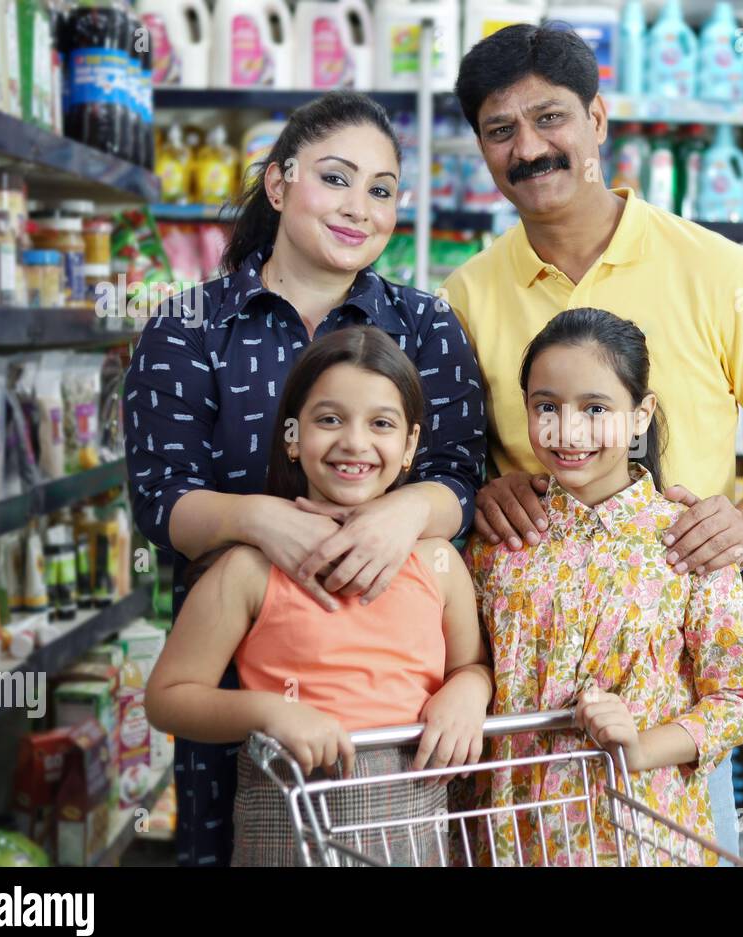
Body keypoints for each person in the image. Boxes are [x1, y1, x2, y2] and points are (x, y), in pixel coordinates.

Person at [443, 25, 743, 857]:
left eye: (550, 118)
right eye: (499, 129)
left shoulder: (716, 270)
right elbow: (446, 460)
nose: (530, 148)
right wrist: (481, 485)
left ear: (598, 118)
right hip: (524, 694)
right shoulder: (466, 296)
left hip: (670, 687)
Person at [125, 91, 486, 866]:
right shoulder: (188, 324)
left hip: (397, 716)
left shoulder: (425, 325)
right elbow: (162, 502)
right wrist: (258, 522)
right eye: (336, 178)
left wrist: (404, 516)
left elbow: (462, 478)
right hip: (236, 671)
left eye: (382, 190)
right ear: (280, 184)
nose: (360, 207)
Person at [146, 327, 492, 867]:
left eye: (381, 423)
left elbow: (470, 664)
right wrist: (272, 712)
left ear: (409, 447)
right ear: (291, 435)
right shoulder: (248, 569)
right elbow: (168, 696)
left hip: (414, 833)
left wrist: (469, 692)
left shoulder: (439, 563)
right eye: (329, 419)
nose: (354, 442)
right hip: (285, 831)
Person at [467, 308, 743, 866]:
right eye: (546, 407)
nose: (568, 431)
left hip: (643, 837)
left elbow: (740, 699)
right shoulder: (498, 544)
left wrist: (639, 748)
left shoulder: (688, 541)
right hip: (512, 838)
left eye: (596, 409)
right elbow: (470, 662)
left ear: (640, 415)